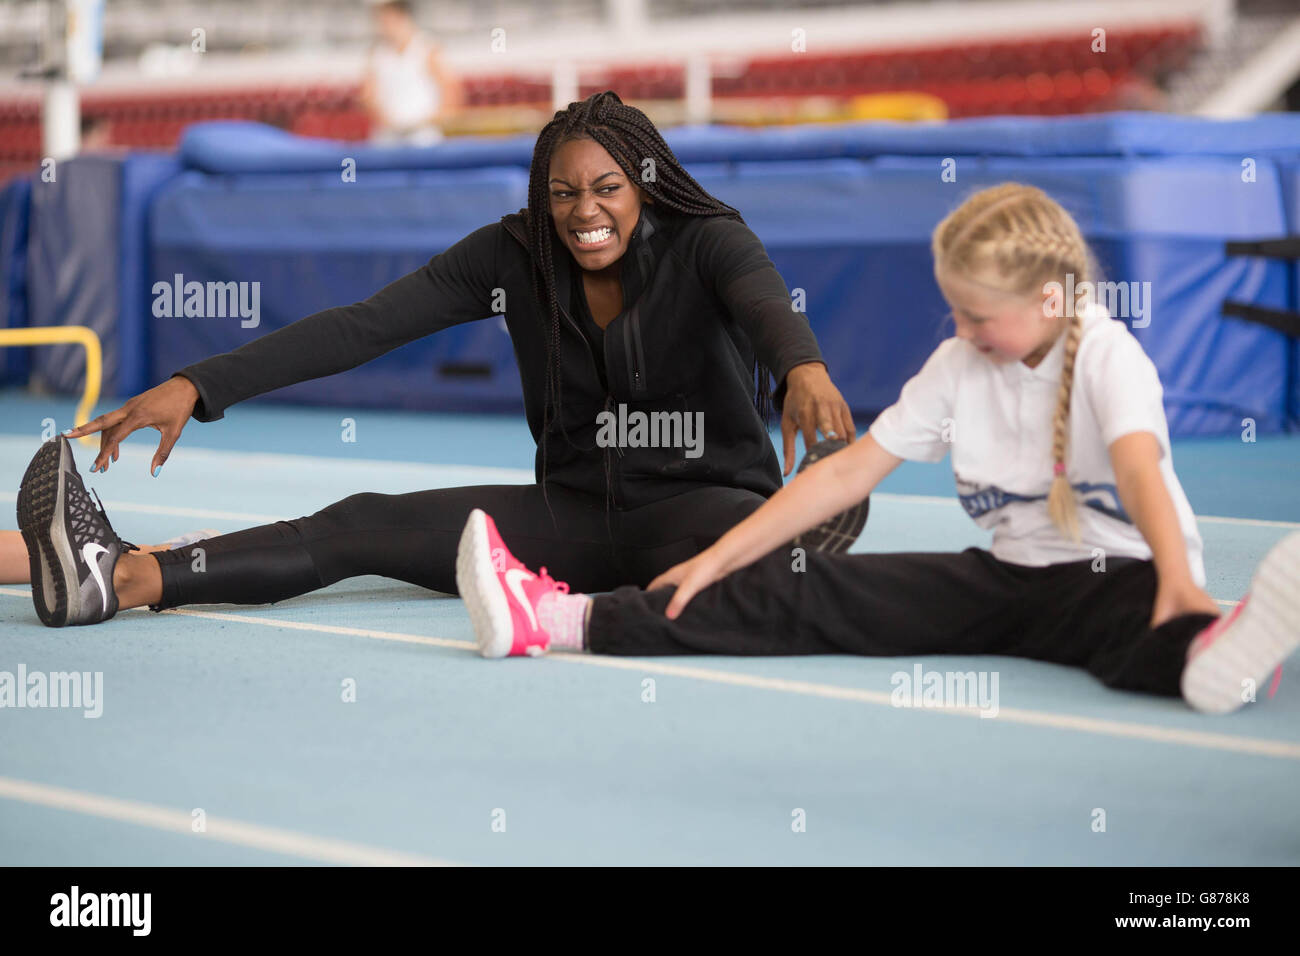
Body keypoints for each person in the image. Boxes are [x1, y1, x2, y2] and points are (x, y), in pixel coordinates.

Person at [454, 182, 1300, 716]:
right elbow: (852, 471)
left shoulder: (1108, 352)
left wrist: (1181, 587)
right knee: (805, 588)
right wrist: (719, 558)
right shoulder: (962, 362)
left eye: (980, 317)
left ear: (1052, 297)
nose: (962, 332)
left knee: (1130, 621)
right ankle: (563, 618)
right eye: (955, 312)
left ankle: (1207, 647)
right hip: (1012, 584)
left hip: (1127, 571)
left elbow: (1140, 468)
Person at [18, 90, 854, 627]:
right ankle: (116, 580)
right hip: (569, 520)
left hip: (704, 509)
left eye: (606, 189)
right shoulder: (514, 255)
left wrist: (802, 370)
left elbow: (766, 309)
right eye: (563, 193)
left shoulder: (709, 242)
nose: (584, 212)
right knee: (354, 522)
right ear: (541, 196)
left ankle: (790, 550)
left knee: (747, 557)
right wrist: (200, 383)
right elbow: (363, 326)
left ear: (644, 184)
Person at [360, 0, 462, 146]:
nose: (382, 25)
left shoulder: (427, 48)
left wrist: (429, 121)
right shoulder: (376, 53)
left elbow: (451, 92)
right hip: (388, 138)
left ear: (401, 16)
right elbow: (368, 97)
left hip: (423, 137)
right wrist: (388, 121)